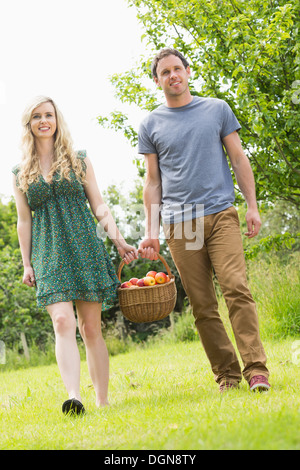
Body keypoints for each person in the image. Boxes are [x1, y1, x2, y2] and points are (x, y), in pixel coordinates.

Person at [138, 48, 270, 393]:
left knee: (236, 288)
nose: (172, 76)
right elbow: (152, 182)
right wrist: (151, 231)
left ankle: (256, 369)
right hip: (182, 225)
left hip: (221, 213)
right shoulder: (151, 124)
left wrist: (252, 206)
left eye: (177, 69)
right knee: (202, 304)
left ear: (188, 71)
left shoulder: (216, 109)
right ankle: (227, 374)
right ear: (157, 81)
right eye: (164, 72)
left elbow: (239, 159)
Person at [12, 96, 138, 414]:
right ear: (29, 124)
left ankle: (102, 400)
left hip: (84, 247)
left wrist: (119, 241)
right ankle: (74, 396)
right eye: (37, 116)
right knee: (62, 321)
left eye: (49, 115)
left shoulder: (78, 159)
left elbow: (98, 205)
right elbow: (23, 220)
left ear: (57, 120)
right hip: (48, 252)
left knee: (91, 328)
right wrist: (27, 263)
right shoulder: (20, 173)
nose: (44, 121)